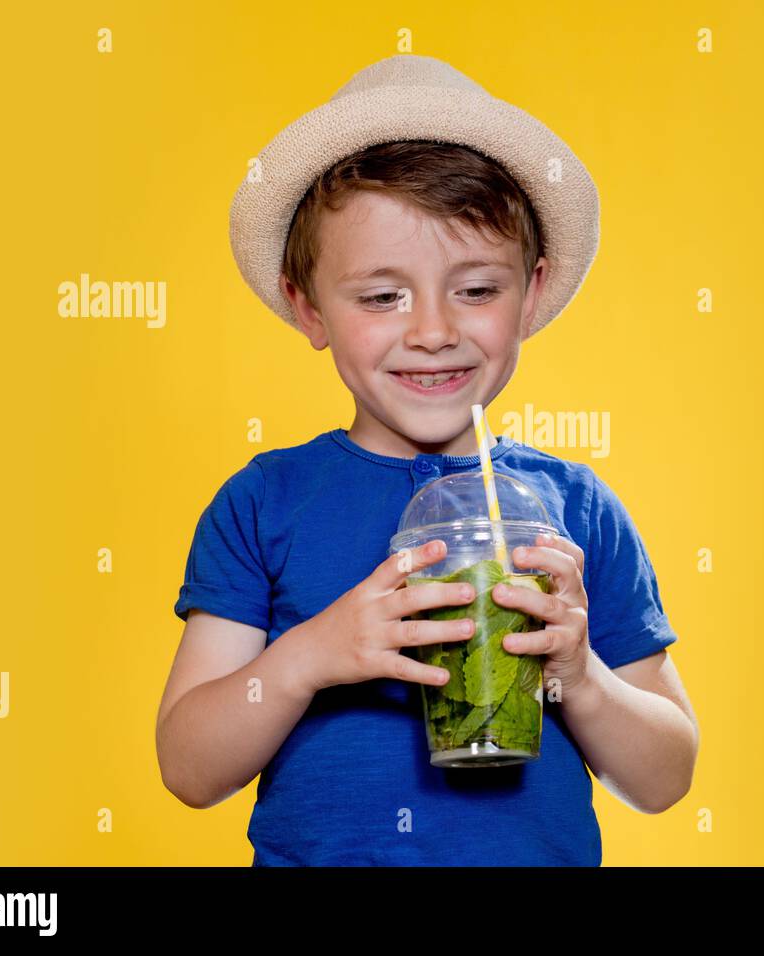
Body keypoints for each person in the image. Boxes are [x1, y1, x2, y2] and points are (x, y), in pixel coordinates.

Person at [156, 54, 699, 865]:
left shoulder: (574, 510)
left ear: (533, 292)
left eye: (477, 289)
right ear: (309, 308)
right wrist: (312, 654)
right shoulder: (265, 503)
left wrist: (580, 676)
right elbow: (189, 767)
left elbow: (664, 777)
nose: (435, 330)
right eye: (382, 297)